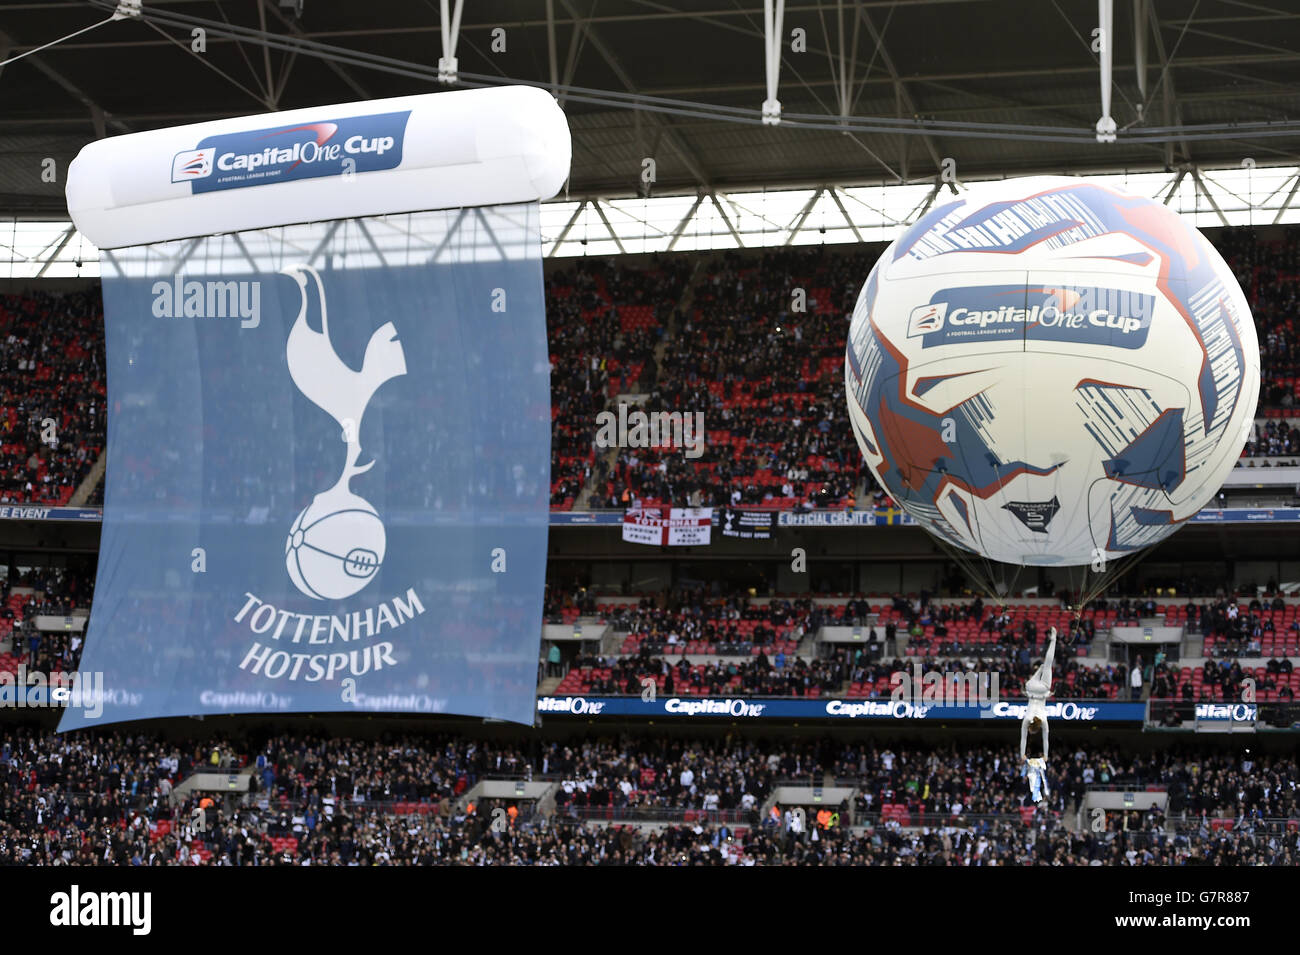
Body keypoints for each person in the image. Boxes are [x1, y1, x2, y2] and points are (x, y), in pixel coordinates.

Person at [1020, 627, 1057, 810]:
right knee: (1046, 665)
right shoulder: (1027, 720)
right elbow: (1023, 739)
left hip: (1041, 691)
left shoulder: (1042, 720)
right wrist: (1022, 754)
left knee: (1048, 665)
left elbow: (1045, 740)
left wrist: (1046, 755)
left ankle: (1054, 639)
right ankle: (1053, 639)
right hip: (1032, 688)